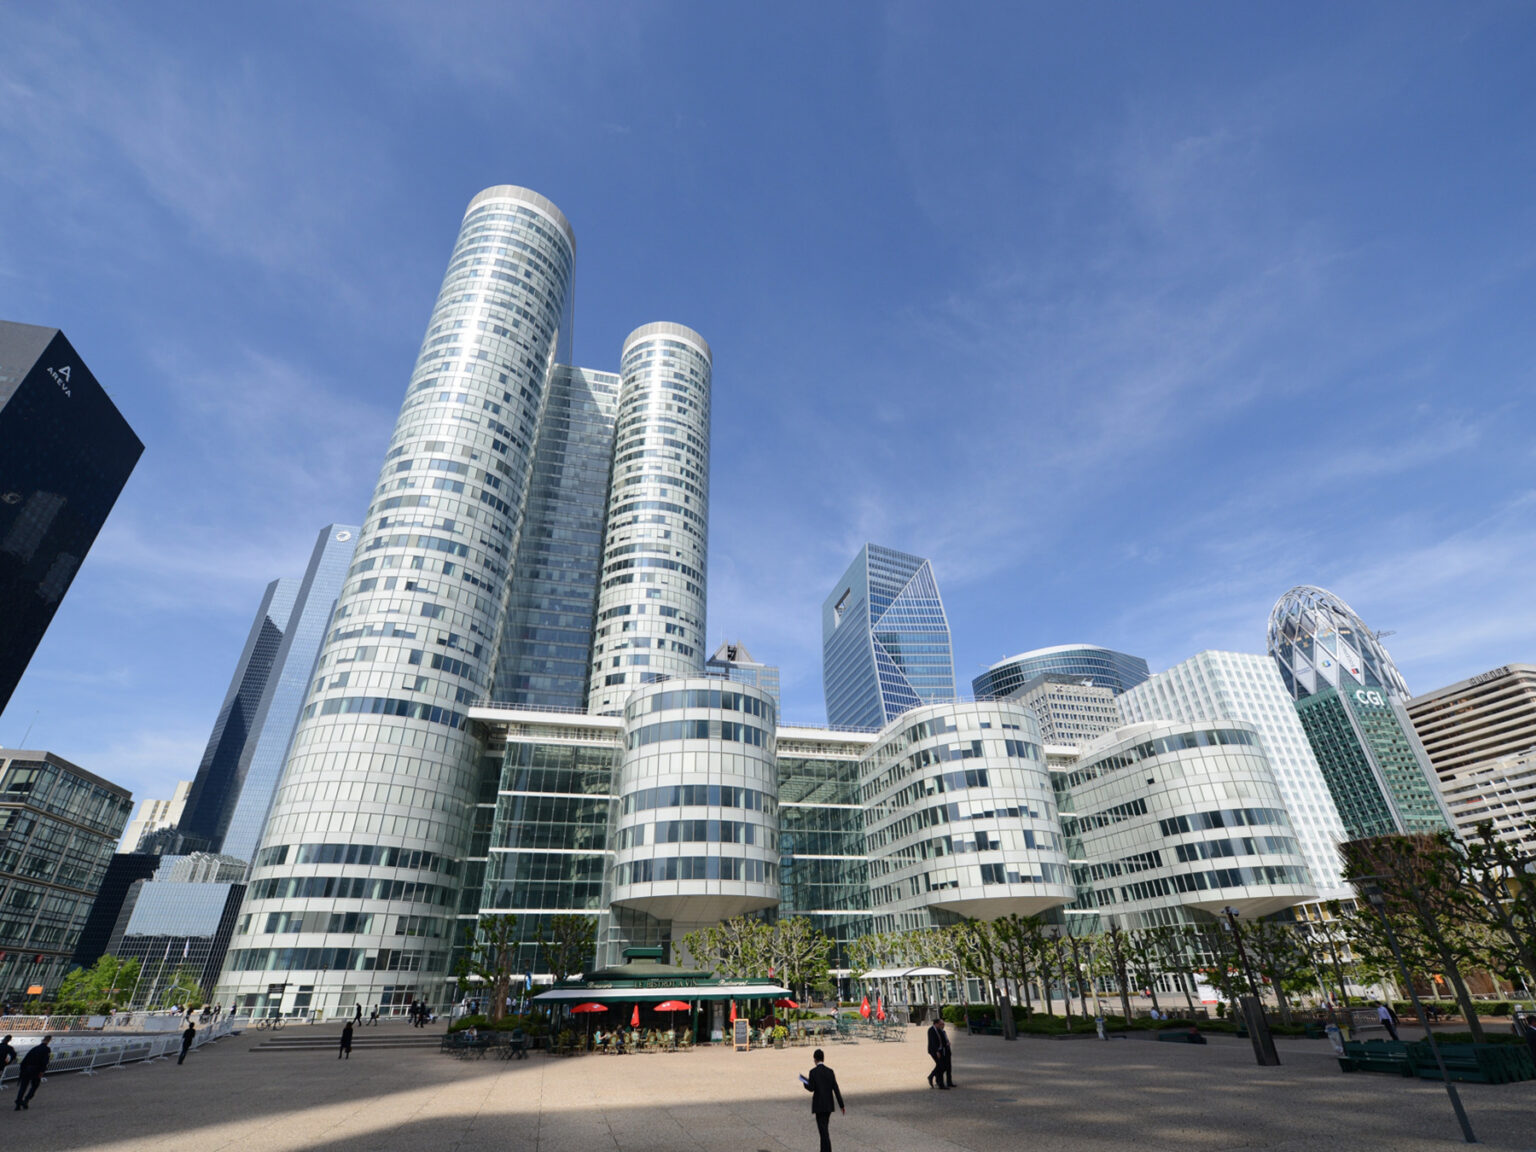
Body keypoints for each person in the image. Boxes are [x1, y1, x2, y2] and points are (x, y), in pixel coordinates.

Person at [802, 1048, 845, 1152]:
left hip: (819, 1106)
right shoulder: (830, 1071)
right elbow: (836, 1089)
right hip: (828, 1105)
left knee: (823, 1131)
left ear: (815, 1059)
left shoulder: (813, 1072)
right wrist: (841, 1105)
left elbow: (811, 1088)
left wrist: (804, 1081)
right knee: (824, 1129)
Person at [14, 1035, 50, 1110]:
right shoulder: (46, 1049)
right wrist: (42, 1071)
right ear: (49, 1041)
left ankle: (18, 1103)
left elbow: (25, 1059)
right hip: (36, 1070)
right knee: (34, 1086)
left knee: (23, 1087)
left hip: (26, 1069)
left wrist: (22, 1070)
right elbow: (45, 1061)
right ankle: (26, 1099)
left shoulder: (34, 1048)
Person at [926, 1016, 953, 1088]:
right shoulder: (931, 1030)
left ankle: (933, 1077)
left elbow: (942, 1039)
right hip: (934, 1051)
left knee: (941, 1066)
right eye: (940, 1024)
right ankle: (939, 1083)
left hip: (941, 1050)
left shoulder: (939, 1030)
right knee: (941, 1066)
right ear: (936, 1024)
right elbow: (933, 1042)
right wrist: (937, 1051)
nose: (942, 1025)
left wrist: (947, 1044)